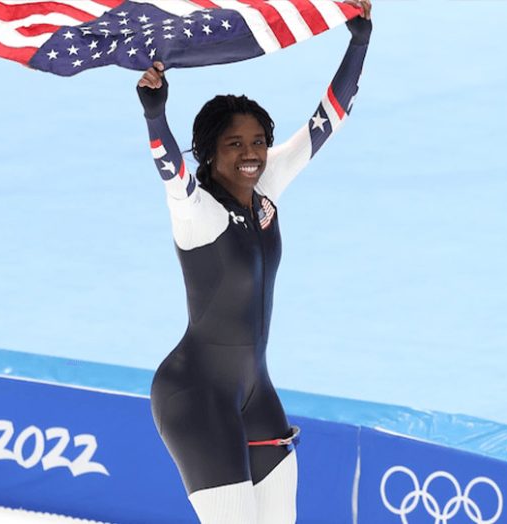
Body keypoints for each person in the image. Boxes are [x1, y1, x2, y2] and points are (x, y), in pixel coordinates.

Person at [136, 2, 372, 522]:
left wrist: (358, 40)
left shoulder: (264, 190)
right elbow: (171, 172)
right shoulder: (198, 212)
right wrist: (155, 114)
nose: (252, 154)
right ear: (208, 151)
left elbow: (328, 117)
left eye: (259, 142)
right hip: (195, 394)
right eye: (235, 144)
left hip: (253, 390)